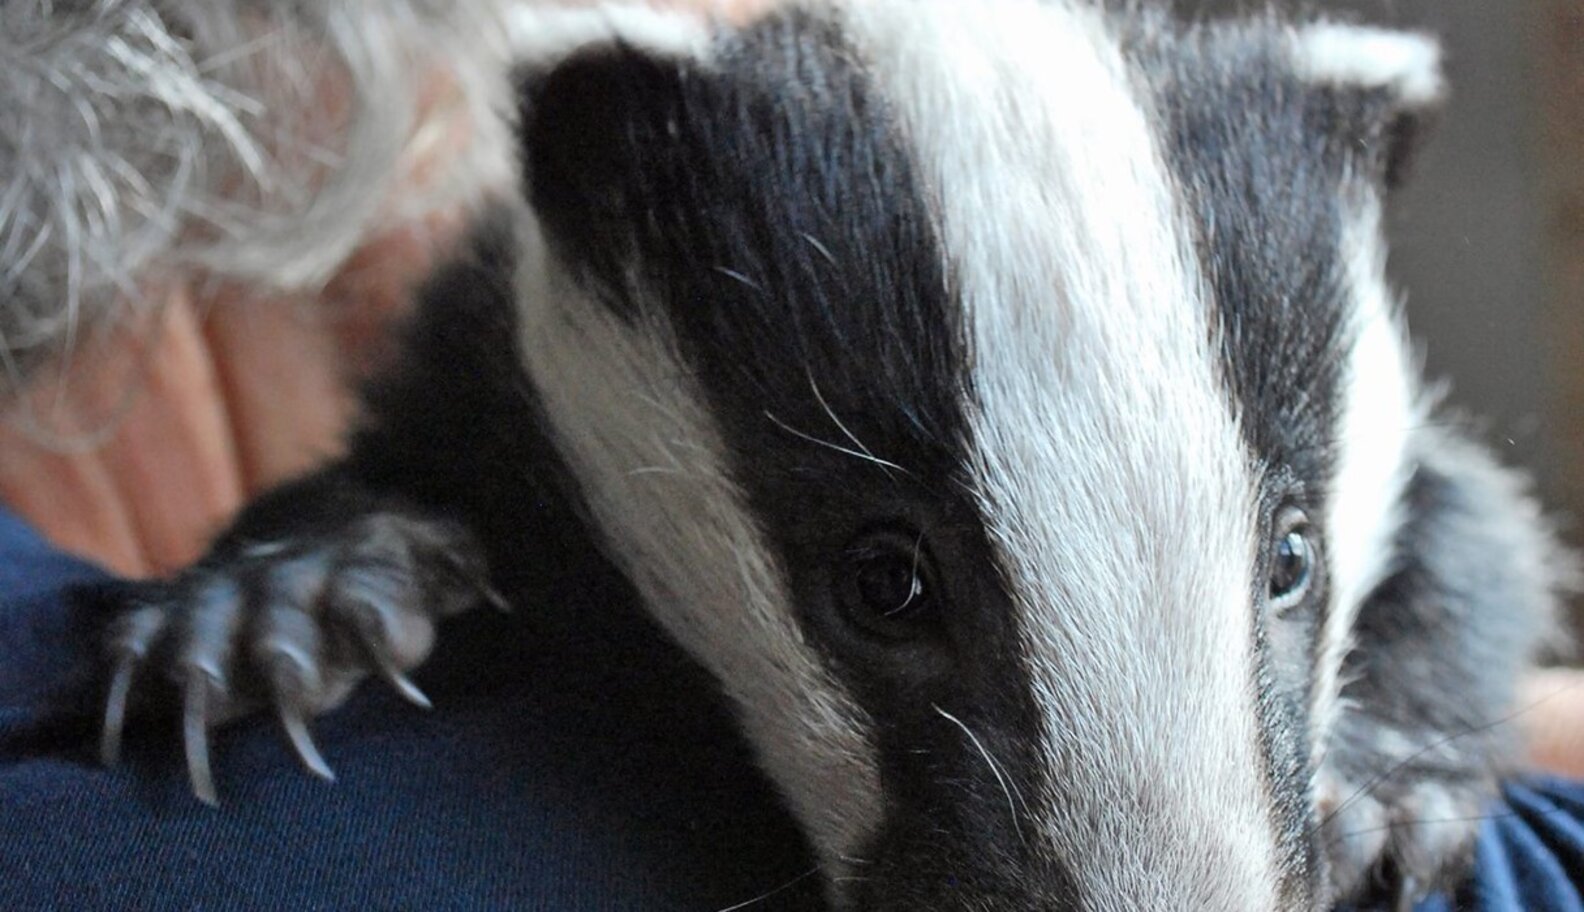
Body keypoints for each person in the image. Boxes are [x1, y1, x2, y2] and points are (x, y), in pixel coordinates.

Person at [1, 1, 1580, 908]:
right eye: (888, 590)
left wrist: (1416, 739)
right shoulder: (549, 395)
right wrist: (319, 549)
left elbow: (1451, 536)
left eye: (1285, 565)